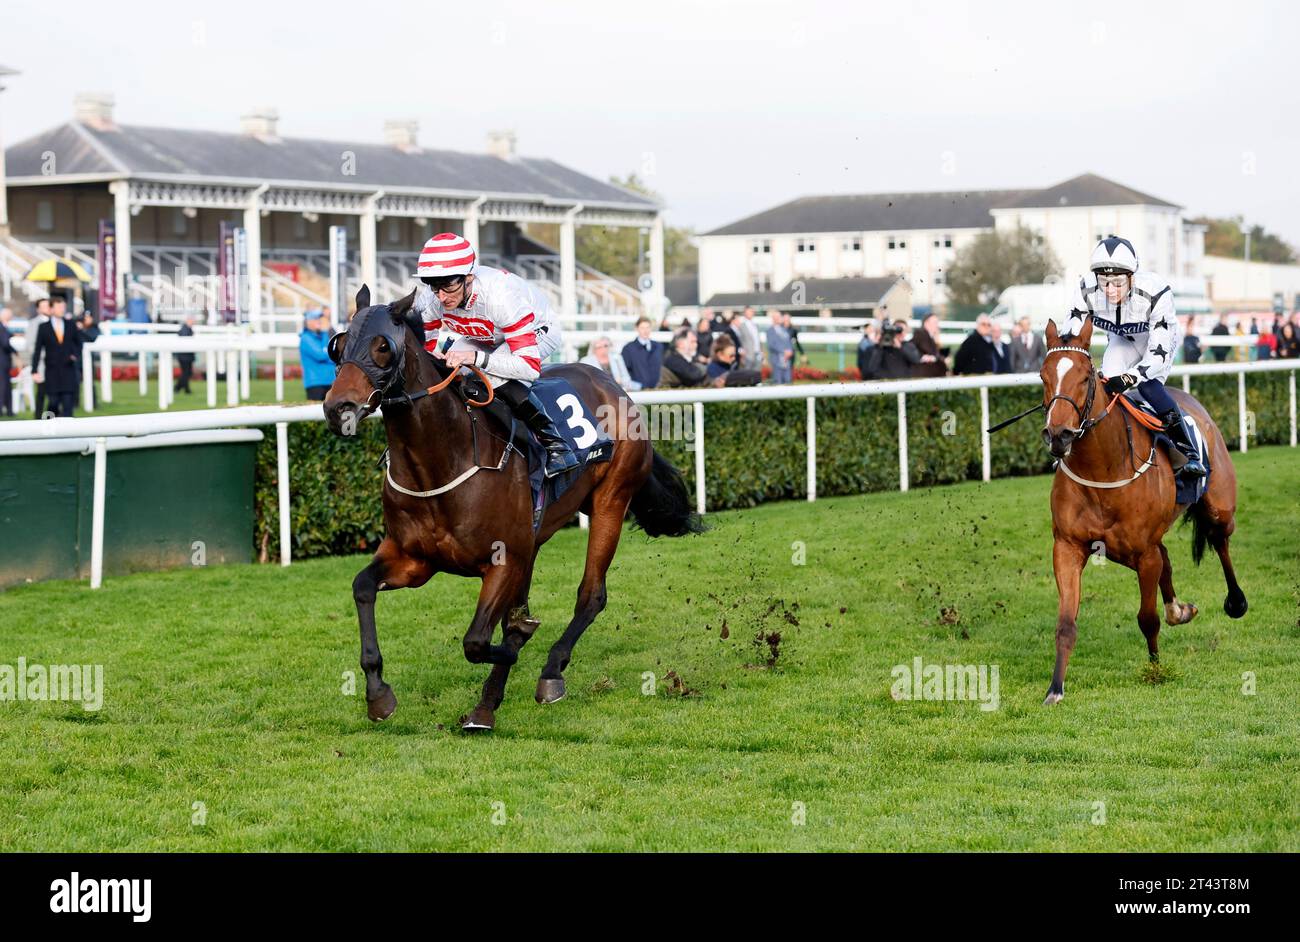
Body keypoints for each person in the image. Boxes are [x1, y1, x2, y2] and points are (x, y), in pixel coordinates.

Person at [411, 232, 577, 477]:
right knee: (446, 372)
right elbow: (424, 343)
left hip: (536, 331)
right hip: (487, 336)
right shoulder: (433, 297)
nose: (442, 296)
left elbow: (529, 367)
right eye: (434, 286)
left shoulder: (500, 296)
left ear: (469, 278)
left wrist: (476, 359)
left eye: (448, 285)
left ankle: (555, 444)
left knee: (492, 377)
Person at [1061, 236, 1204, 476]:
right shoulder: (1085, 289)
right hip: (1122, 341)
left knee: (1148, 387)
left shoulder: (1156, 291)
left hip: (1156, 342)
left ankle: (1189, 452)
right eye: (1104, 282)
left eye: (1117, 282)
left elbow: (1157, 355)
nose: (1110, 290)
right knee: (1106, 387)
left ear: (1131, 277)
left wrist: (1131, 378)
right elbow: (1071, 337)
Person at [31, 295, 82, 418]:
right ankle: (49, 427)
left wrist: (74, 355)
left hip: (67, 369)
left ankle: (69, 433)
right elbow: (38, 349)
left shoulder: (70, 325)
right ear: (51, 309)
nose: (62, 310)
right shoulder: (44, 327)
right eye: (59, 307)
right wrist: (34, 370)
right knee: (53, 402)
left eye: (63, 307)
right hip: (52, 371)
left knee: (68, 403)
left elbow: (78, 343)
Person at [621, 316, 663, 391]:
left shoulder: (658, 347)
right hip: (637, 392)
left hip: (657, 391)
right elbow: (624, 372)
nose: (645, 331)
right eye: (642, 328)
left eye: (648, 328)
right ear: (636, 329)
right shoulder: (628, 349)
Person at [299, 312, 334, 401]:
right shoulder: (305, 338)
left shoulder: (324, 335)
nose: (318, 321)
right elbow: (320, 356)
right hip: (315, 383)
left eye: (319, 319)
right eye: (315, 319)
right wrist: (331, 355)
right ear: (308, 322)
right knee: (316, 413)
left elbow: (336, 353)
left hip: (331, 381)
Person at [25, 298, 50, 416]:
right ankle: (38, 418)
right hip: (41, 364)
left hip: (56, 365)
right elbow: (30, 345)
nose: (46, 308)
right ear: (38, 309)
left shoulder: (56, 322)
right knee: (41, 392)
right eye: (43, 306)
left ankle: (53, 417)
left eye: (48, 305)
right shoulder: (33, 324)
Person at [910, 312, 948, 378]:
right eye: (935, 323)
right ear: (926, 323)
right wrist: (942, 359)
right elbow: (930, 351)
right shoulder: (920, 333)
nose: (937, 325)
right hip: (923, 373)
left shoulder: (929, 336)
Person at [765, 309, 794, 384]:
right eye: (777, 317)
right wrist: (783, 351)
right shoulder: (770, 331)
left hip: (787, 360)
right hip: (777, 359)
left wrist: (790, 350)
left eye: (779, 317)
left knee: (788, 380)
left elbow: (789, 341)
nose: (779, 318)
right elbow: (771, 344)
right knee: (778, 381)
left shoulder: (784, 329)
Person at [0, 306, 16, 417]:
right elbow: (5, 343)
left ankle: (7, 409)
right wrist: (15, 351)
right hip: (3, 361)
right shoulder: (2, 327)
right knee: (4, 386)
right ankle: (5, 409)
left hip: (3, 361)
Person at [175, 316, 196, 394]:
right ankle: (178, 387)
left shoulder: (187, 328)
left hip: (186, 356)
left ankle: (186, 389)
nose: (193, 322)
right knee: (186, 373)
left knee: (186, 373)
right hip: (184, 356)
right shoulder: (185, 329)